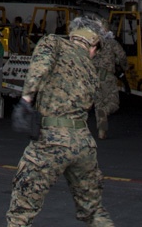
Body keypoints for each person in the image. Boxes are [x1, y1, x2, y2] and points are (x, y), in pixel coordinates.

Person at [7, 18, 115, 227]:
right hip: (83, 144)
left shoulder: (54, 43)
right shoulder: (91, 69)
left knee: (21, 212)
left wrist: (26, 100)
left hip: (51, 140)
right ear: (92, 44)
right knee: (93, 211)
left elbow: (39, 68)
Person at [93, 30, 127, 140]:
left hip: (94, 77)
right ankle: (106, 111)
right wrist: (125, 67)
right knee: (114, 102)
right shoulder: (112, 43)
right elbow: (122, 56)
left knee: (99, 104)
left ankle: (101, 131)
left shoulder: (93, 42)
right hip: (107, 77)